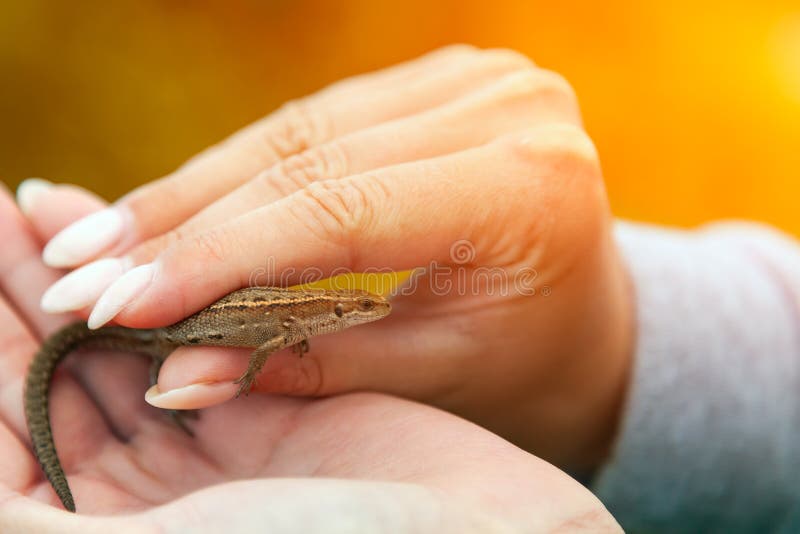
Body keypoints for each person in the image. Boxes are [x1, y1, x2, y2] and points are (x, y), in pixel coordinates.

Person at [2, 45, 797, 532]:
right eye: (355, 305)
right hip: (167, 332)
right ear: (330, 304)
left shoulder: (298, 321)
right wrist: (617, 355)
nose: (366, 310)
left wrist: (611, 356)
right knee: (155, 343)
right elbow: (249, 358)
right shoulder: (287, 320)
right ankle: (126, 365)